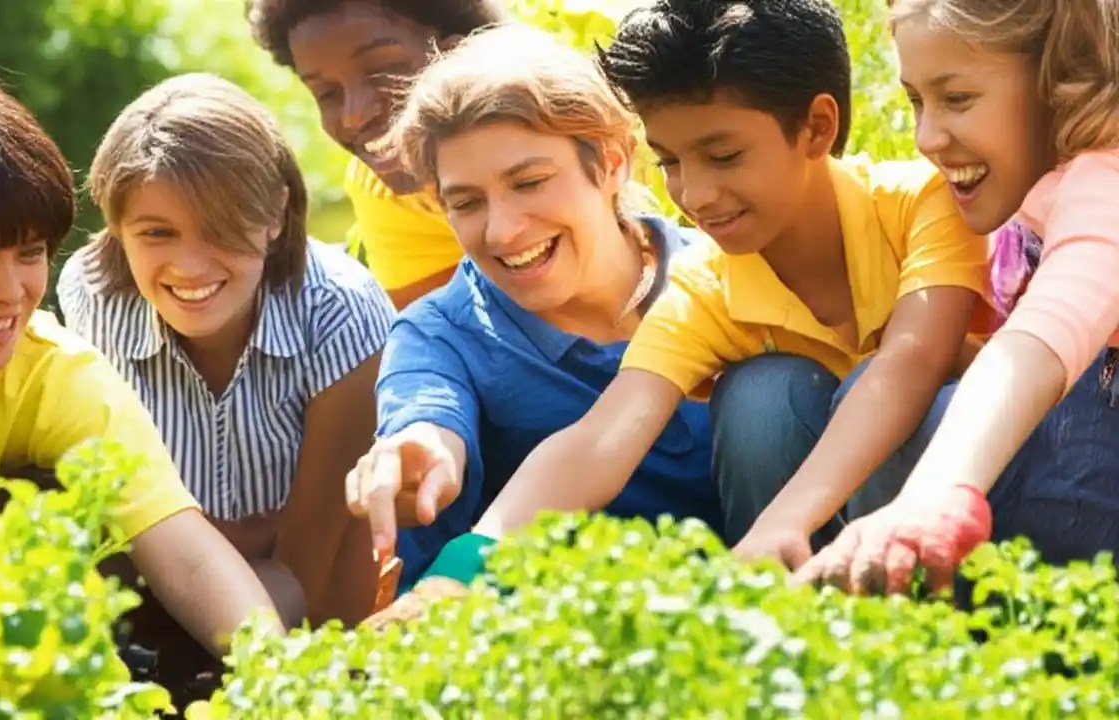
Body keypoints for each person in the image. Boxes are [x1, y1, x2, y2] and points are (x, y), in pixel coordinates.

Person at [394, 0, 994, 586]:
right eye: (673, 162)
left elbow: (911, 362)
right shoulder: (705, 287)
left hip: (986, 513)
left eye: (724, 155)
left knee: (896, 395)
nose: (697, 194)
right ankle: (801, 620)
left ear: (817, 127)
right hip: (814, 538)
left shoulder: (920, 203)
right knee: (764, 394)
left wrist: (787, 516)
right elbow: (600, 438)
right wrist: (463, 567)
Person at [0, 66, 281, 651]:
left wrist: (278, 678)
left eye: (29, 253)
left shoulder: (51, 372)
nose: (11, 290)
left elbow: (185, 554)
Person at [342, 23, 721, 590]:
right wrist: (419, 446)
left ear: (613, 162)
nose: (502, 231)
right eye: (466, 202)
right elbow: (425, 409)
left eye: (530, 182)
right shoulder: (439, 333)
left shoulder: (721, 271)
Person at [795, 0, 1119, 595]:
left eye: (957, 99)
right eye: (917, 101)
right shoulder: (1038, 176)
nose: (926, 137)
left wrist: (932, 497)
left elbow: (1037, 344)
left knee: (913, 426)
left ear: (1059, 76)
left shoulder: (1106, 180)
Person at [57, 73, 394, 626]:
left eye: (219, 228)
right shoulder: (93, 296)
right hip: (151, 591)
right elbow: (109, 512)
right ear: (116, 227)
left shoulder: (342, 308)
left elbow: (310, 553)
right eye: (157, 234)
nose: (190, 266)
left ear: (275, 214)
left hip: (311, 600)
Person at [247, 0, 506, 308]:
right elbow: (440, 331)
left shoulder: (558, 139)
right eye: (327, 93)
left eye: (381, 71)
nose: (353, 116)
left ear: (459, 54)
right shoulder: (382, 191)